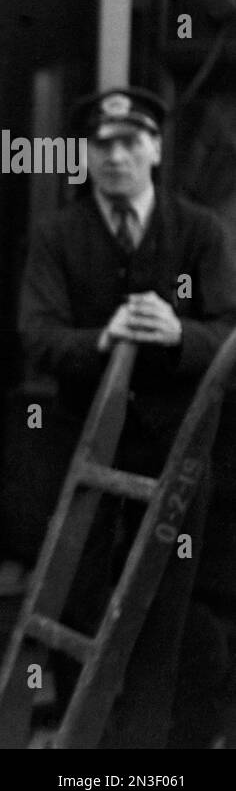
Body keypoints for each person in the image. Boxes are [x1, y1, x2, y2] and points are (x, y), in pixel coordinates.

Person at [19, 86, 236, 747]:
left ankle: (146, 743)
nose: (115, 156)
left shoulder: (199, 230)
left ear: (157, 149)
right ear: (87, 155)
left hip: (176, 447)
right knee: (75, 593)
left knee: (164, 597)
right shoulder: (58, 233)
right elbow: (35, 332)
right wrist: (101, 340)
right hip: (79, 442)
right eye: (102, 144)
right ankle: (83, 737)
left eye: (130, 142)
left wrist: (177, 333)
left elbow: (228, 329)